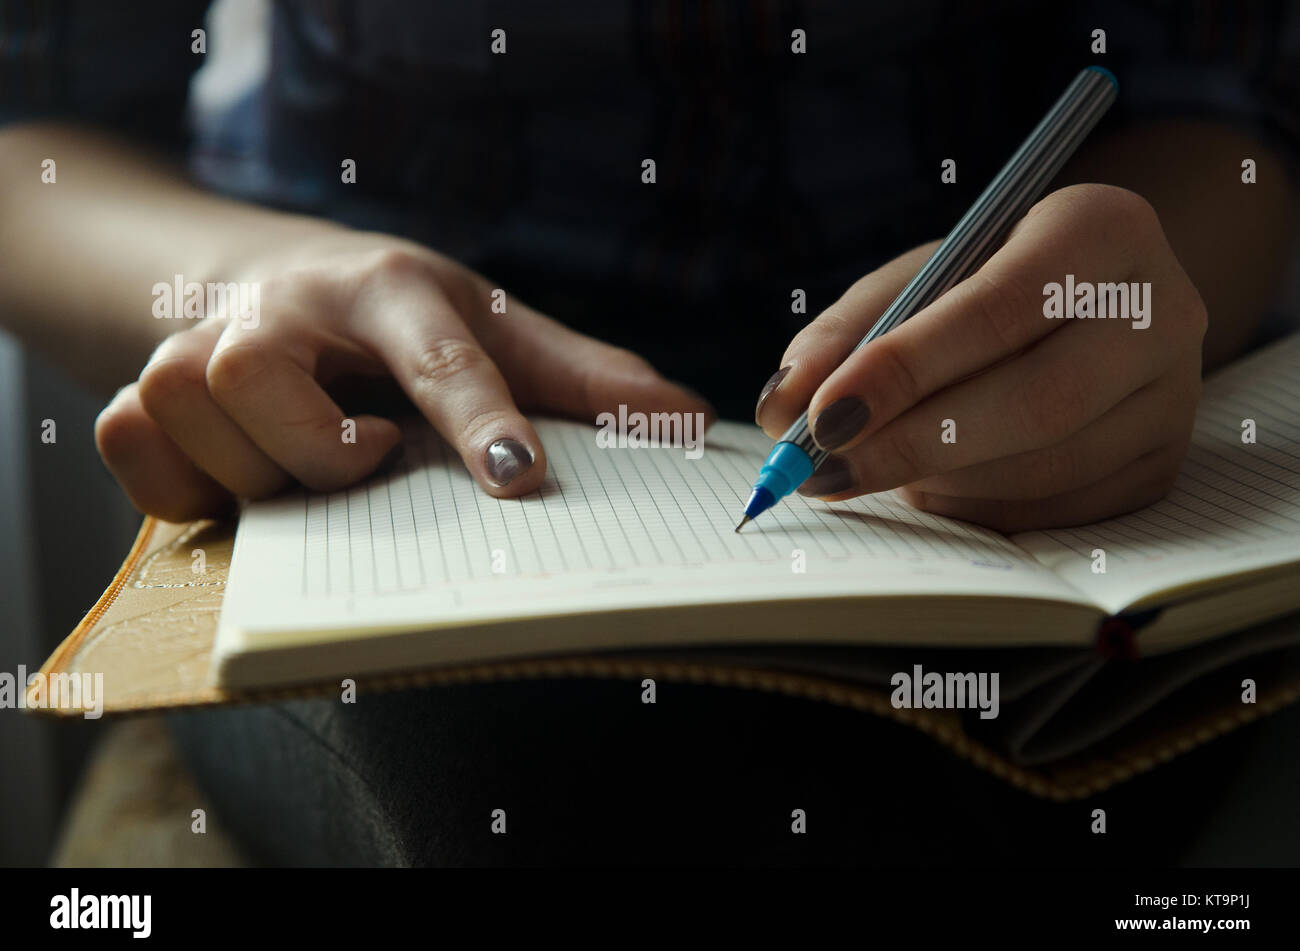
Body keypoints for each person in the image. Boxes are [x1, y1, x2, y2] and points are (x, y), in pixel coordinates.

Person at [2, 0, 1297, 864]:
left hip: (976, 438)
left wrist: (1133, 287)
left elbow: (1224, 101)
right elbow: (27, 131)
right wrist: (251, 282)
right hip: (374, 410)